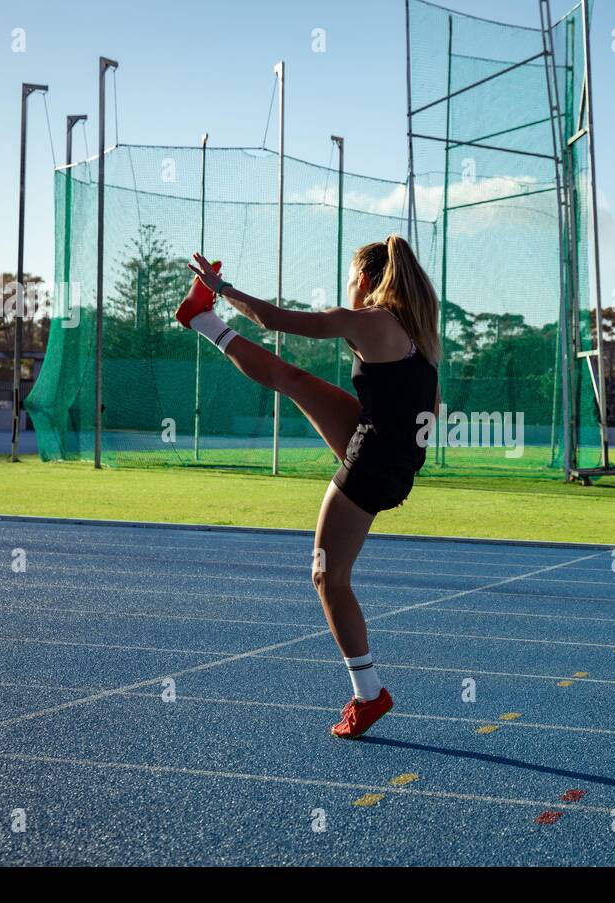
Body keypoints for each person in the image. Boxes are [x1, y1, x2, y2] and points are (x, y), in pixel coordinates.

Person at [176, 236, 439, 737]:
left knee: (327, 577)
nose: (347, 284)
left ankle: (369, 694)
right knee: (292, 379)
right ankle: (199, 319)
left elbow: (275, 320)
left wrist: (222, 287)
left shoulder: (367, 320)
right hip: (390, 452)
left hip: (376, 464)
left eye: (349, 276)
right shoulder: (416, 337)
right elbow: (428, 411)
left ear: (364, 280)